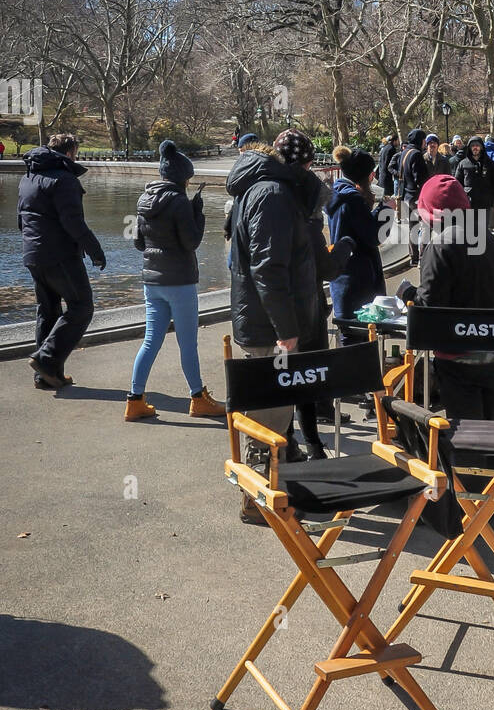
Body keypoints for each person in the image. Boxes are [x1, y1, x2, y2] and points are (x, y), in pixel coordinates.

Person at [226, 140, 318, 522]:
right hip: (270, 327)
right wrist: (286, 329)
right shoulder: (273, 194)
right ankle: (257, 497)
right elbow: (268, 268)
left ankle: (268, 484)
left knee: (272, 405)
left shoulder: (262, 188)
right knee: (270, 411)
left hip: (264, 321)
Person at [125, 140, 225, 422]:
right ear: (182, 177)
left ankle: (134, 400)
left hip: (152, 281)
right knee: (187, 343)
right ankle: (197, 398)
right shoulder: (179, 201)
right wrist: (198, 213)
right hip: (179, 281)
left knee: (150, 340)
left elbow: (138, 243)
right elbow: (191, 242)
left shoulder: (143, 199)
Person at [273, 129, 355, 457]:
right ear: (304, 167)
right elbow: (325, 267)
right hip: (300, 309)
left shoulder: (253, 197)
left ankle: (289, 442)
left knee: (278, 379)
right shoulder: (301, 210)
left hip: (266, 311)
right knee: (303, 378)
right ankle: (312, 445)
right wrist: (345, 247)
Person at [411, 174, 494, 420]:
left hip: (456, 352)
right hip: (491, 348)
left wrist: (409, 296)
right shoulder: (488, 239)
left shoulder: (440, 246)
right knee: (493, 423)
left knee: (467, 432)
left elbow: (430, 306)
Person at [17, 133, 106, 390]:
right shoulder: (64, 180)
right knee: (82, 306)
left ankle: (46, 376)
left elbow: (22, 219)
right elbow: (73, 222)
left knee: (48, 311)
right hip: (60, 256)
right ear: (70, 152)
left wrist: (31, 249)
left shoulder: (28, 177)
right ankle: (45, 360)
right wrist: (95, 250)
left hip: (33, 254)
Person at [327, 147, 390, 334]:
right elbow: (373, 235)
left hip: (342, 275)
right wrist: (385, 209)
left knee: (347, 336)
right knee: (361, 339)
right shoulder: (353, 199)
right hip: (359, 279)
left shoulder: (336, 193)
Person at [393, 128, 427, 262]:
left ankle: (413, 256)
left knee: (412, 228)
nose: (425, 143)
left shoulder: (404, 152)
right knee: (425, 226)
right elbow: (420, 178)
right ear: (420, 140)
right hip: (417, 197)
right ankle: (423, 256)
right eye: (424, 140)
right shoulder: (417, 154)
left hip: (406, 195)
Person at [454, 135, 494, 228]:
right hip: (468, 202)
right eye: (472, 146)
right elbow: (457, 184)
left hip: (485, 202)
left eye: (477, 145)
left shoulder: (489, 163)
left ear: (481, 147)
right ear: (469, 148)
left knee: (483, 231)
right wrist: (457, 201)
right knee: (469, 230)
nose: (475, 147)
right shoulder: (463, 163)